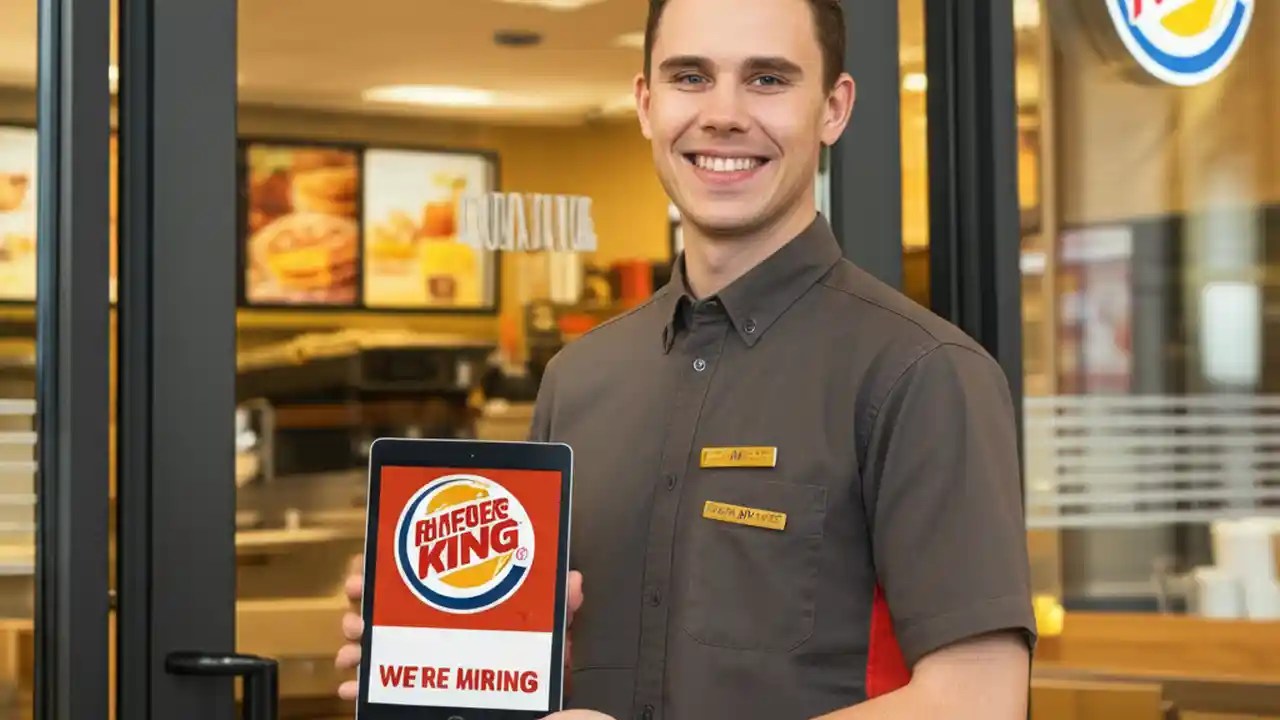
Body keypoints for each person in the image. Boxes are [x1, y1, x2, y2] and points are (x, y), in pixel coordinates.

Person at [336, 0, 1037, 716]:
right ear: (647, 103)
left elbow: (979, 701)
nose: (723, 114)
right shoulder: (578, 380)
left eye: (767, 79)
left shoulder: (922, 374)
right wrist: (452, 659)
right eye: (691, 77)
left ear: (833, 108)